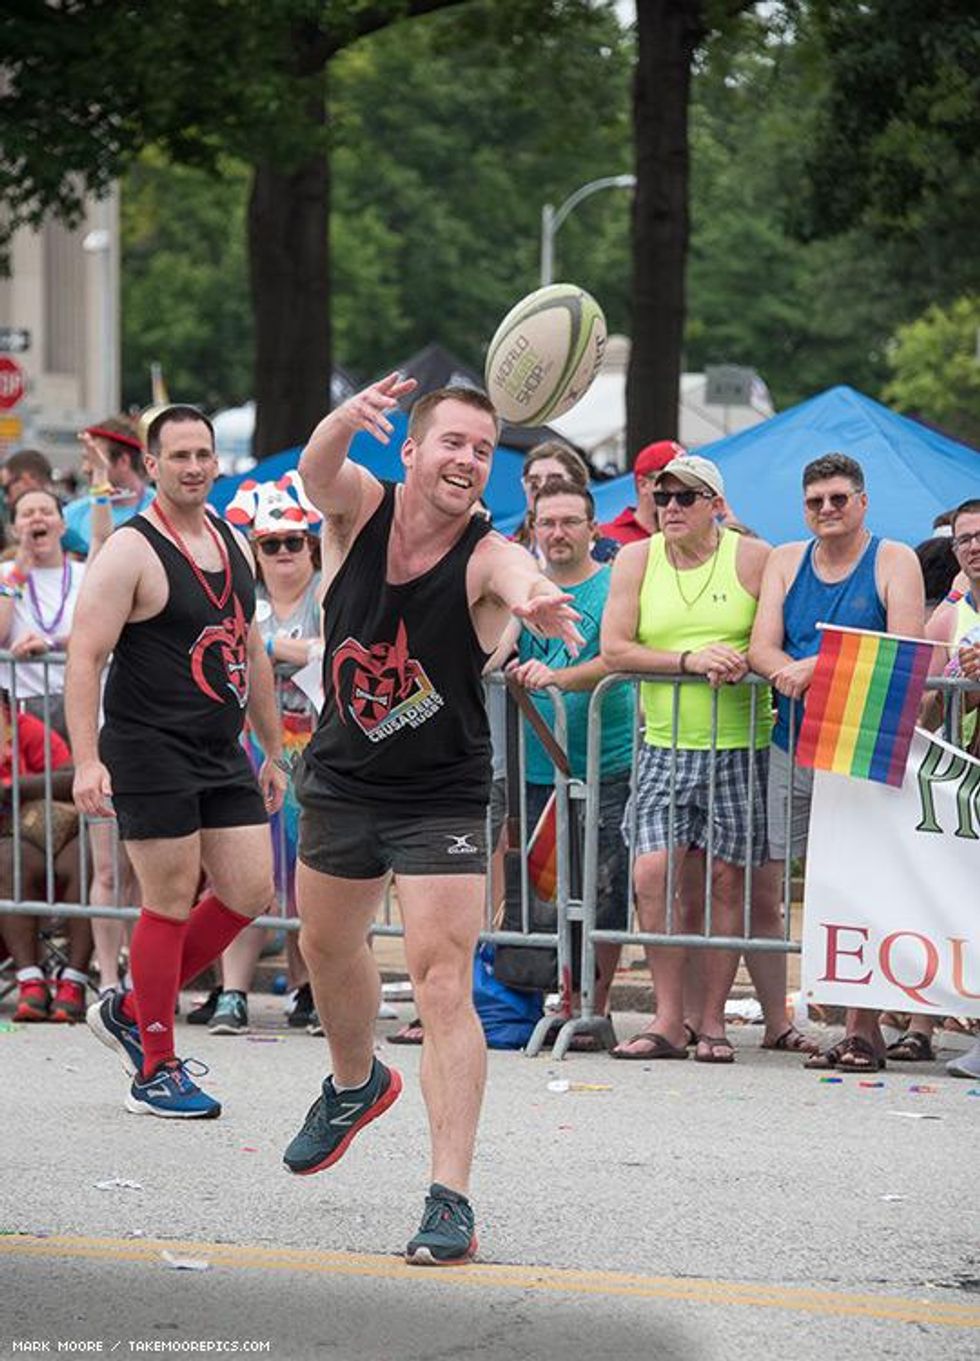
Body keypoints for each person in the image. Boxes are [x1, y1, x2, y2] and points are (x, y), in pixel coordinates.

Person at [282, 374, 583, 1266]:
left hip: (441, 792)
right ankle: (355, 1082)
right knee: (325, 949)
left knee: (442, 978)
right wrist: (341, 416)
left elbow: (514, 573)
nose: (467, 460)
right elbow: (314, 472)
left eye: (483, 450)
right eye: (452, 441)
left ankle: (449, 1195)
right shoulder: (360, 509)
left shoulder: (489, 550)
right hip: (340, 774)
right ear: (411, 450)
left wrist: (532, 599)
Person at [65, 403, 287, 1119]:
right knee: (166, 897)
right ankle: (155, 1067)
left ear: (217, 462)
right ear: (152, 465)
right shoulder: (130, 550)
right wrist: (88, 761)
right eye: (179, 455)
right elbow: (85, 655)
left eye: (204, 454)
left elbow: (249, 649)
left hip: (220, 748)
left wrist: (273, 746)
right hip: (149, 745)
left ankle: (132, 1006)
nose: (194, 466)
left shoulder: (233, 540)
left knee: (251, 889)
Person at [748, 452, 925, 1073]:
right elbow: (763, 646)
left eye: (838, 499)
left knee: (858, 886)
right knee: (769, 881)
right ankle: (782, 1020)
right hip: (790, 742)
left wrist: (815, 669)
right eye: (816, 501)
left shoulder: (894, 560)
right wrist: (790, 671)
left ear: (863, 502)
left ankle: (862, 1028)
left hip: (861, 745)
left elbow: (905, 650)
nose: (827, 509)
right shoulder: (785, 560)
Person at [602, 455, 770, 1064]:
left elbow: (774, 640)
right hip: (664, 744)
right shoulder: (635, 558)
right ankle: (668, 1019)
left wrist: (744, 658)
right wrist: (690, 660)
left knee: (729, 881)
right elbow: (615, 647)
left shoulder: (753, 557)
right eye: (661, 496)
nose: (669, 507)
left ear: (716, 505)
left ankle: (714, 1022)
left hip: (740, 744)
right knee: (653, 876)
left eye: (684, 497)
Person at [188, 472, 325, 1036]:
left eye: (294, 540)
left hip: (321, 753)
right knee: (244, 874)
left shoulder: (329, 592)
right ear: (257, 550)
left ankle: (311, 989)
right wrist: (276, 651)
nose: (284, 552)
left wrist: (265, 648)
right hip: (252, 752)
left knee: (315, 878)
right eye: (270, 543)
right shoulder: (249, 598)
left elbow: (330, 648)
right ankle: (234, 992)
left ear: (310, 544)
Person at [506, 479, 634, 1034]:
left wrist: (555, 676)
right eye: (546, 523)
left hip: (608, 759)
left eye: (569, 522)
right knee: (543, 889)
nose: (557, 533)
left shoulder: (612, 585)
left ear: (592, 529)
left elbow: (614, 657)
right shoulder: (521, 593)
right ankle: (550, 1001)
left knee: (605, 887)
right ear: (533, 529)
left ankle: (593, 1008)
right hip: (536, 764)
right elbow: (494, 648)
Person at [0, 695, 86, 1022]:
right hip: (12, 842)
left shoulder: (25, 729)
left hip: (59, 830)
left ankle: (74, 980)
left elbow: (70, 777)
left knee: (85, 863)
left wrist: (10, 788)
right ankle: (30, 980)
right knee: (8, 861)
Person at [61, 417, 154, 558]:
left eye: (94, 459)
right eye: (85, 459)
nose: (85, 469)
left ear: (123, 461)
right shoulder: (69, 517)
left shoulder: (164, 511)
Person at [598, 440, 684, 546]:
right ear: (643, 485)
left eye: (687, 480)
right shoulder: (606, 536)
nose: (682, 488)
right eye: (671, 481)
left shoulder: (693, 535)